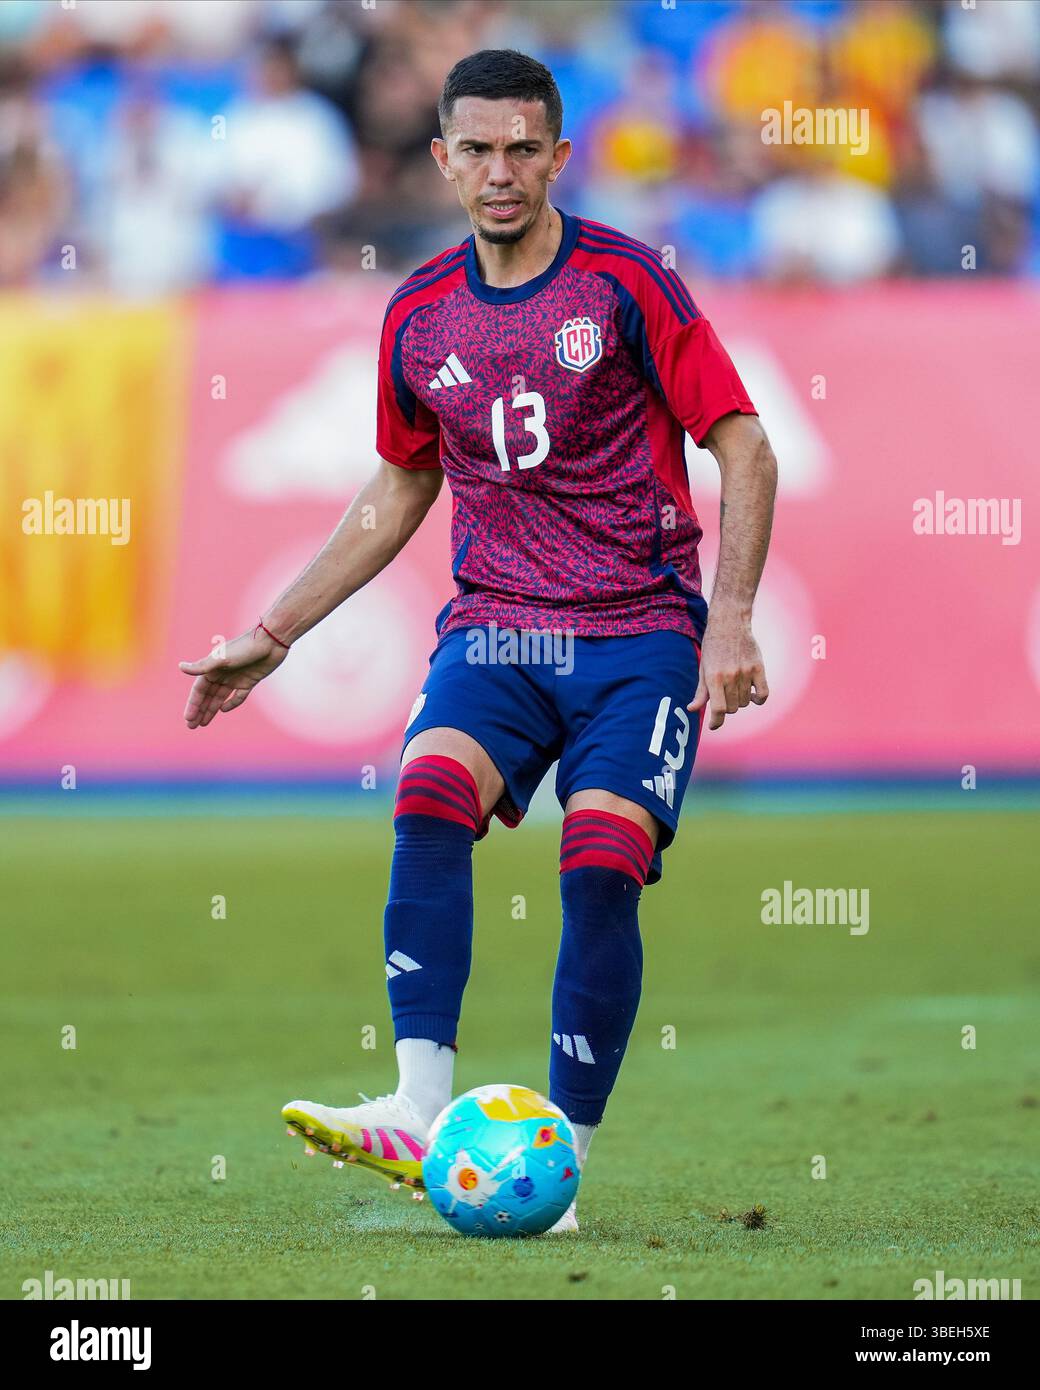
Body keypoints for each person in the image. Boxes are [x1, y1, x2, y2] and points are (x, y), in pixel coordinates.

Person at [179, 49, 777, 1233]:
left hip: (636, 630)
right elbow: (400, 487)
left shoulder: (626, 284)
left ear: (558, 157)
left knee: (599, 865)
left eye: (523, 149)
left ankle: (554, 1159)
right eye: (476, 149)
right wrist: (272, 632)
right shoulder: (417, 312)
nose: (499, 173)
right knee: (426, 792)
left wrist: (732, 617)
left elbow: (743, 445)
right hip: (497, 628)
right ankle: (415, 1101)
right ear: (442, 157)